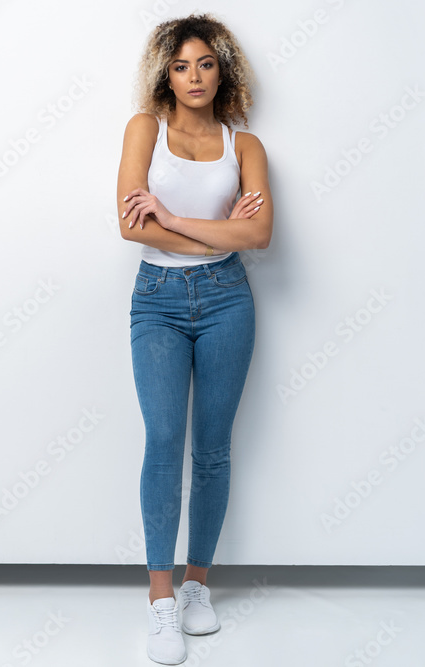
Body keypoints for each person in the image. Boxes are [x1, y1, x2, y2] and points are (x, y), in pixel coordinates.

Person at [116, 12, 272, 665]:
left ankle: (196, 586)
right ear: (165, 73)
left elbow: (258, 237)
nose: (194, 76)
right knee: (162, 440)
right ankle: (159, 603)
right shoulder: (144, 129)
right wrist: (214, 228)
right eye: (181, 65)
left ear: (222, 68)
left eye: (205, 63)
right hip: (157, 301)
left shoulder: (247, 146)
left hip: (227, 300)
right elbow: (131, 225)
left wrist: (173, 216)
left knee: (211, 449)